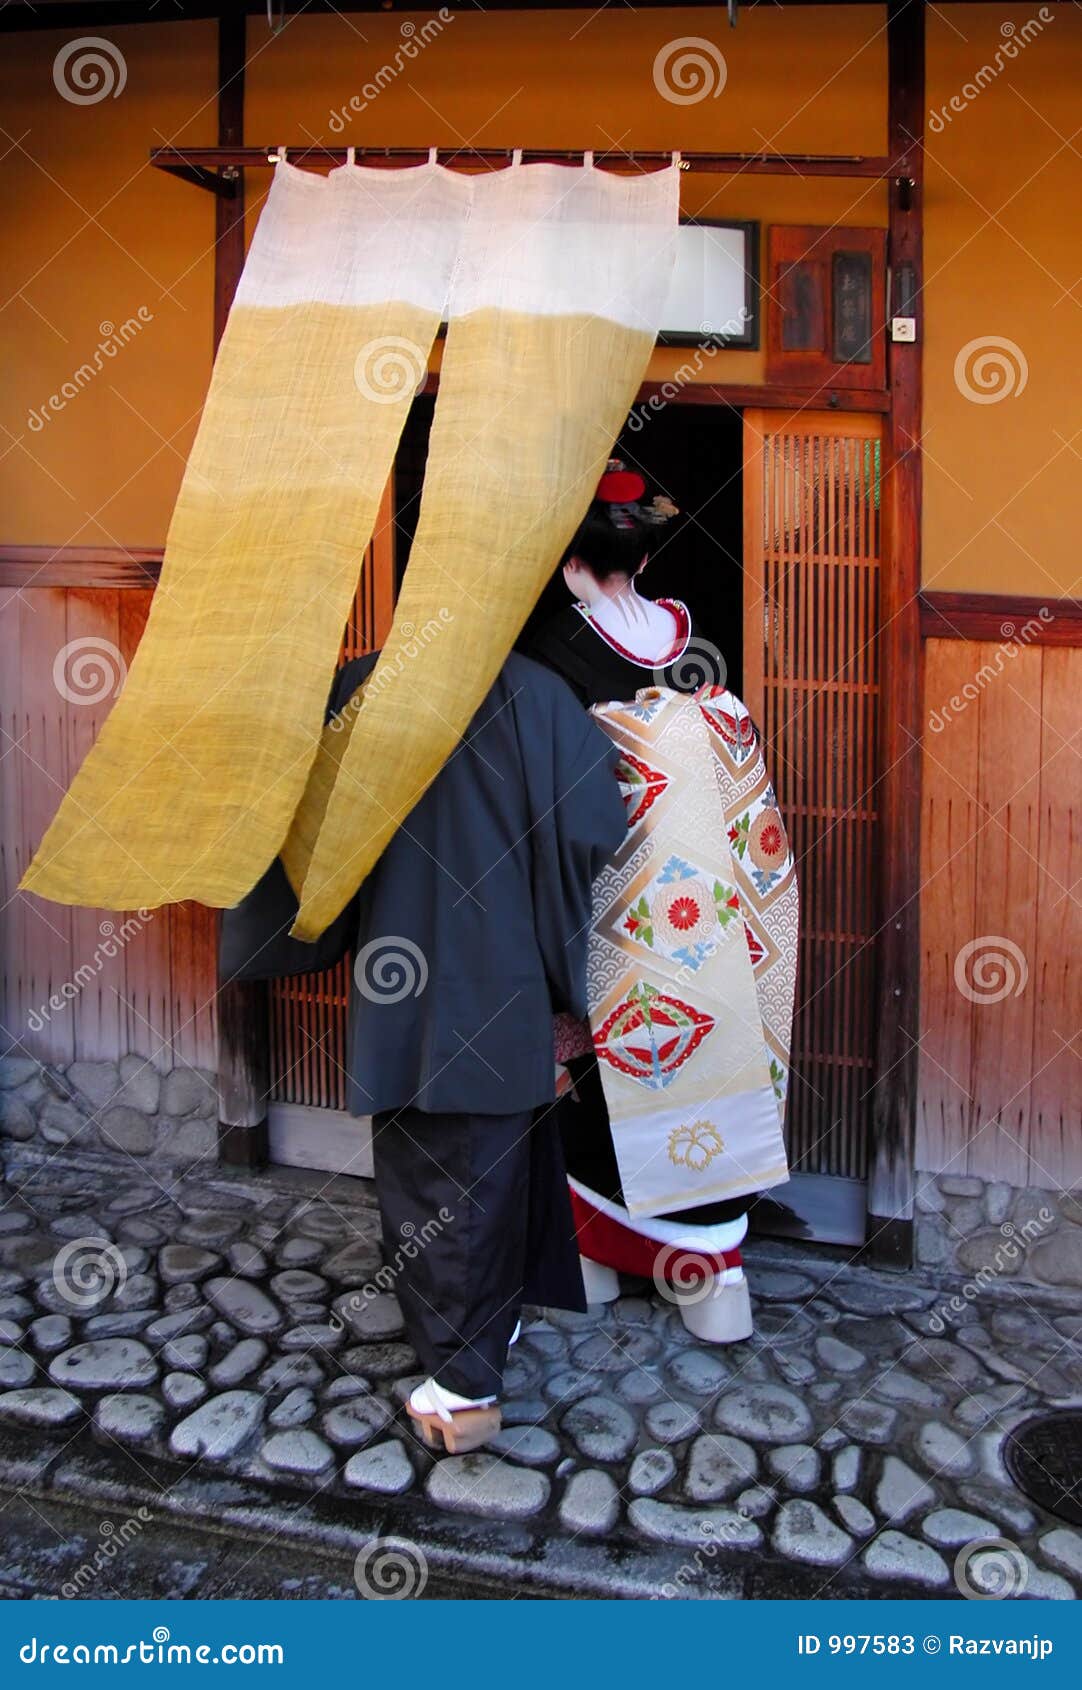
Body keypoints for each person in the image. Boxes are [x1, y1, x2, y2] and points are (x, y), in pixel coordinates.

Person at [221, 649, 627, 1451]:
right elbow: (593, 828)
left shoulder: (366, 686)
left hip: (397, 961)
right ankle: (476, 1359)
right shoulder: (540, 694)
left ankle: (463, 1387)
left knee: (434, 1168)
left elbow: (306, 811)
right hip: (502, 967)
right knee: (484, 1163)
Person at [527, 460, 798, 1343]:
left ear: (570, 559)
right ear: (642, 556)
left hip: (609, 907)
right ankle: (713, 1286)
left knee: (603, 1074)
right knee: (704, 1058)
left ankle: (599, 1265)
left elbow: (547, 798)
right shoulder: (689, 641)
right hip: (705, 912)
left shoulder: (544, 656)